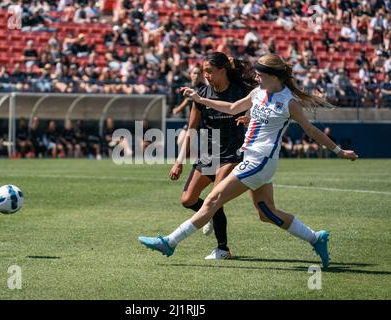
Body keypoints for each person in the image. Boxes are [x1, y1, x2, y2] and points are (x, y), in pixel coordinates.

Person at [139, 54, 358, 268]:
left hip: (259, 161)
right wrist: (202, 100)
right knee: (266, 213)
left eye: (260, 73)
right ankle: (315, 238)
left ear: (273, 75)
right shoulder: (257, 92)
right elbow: (233, 108)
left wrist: (339, 151)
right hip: (256, 159)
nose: (256, 77)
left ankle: (169, 242)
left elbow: (311, 131)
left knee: (213, 201)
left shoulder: (290, 103)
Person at [168, 52, 257, 260]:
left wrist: (250, 118)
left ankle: (223, 249)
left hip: (232, 154)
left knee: (215, 198)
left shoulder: (240, 92)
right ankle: (206, 215)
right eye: (204, 71)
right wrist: (178, 162)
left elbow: (260, 113)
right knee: (188, 200)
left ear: (222, 71)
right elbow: (191, 129)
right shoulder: (200, 94)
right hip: (209, 154)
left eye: (209, 71)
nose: (205, 75)